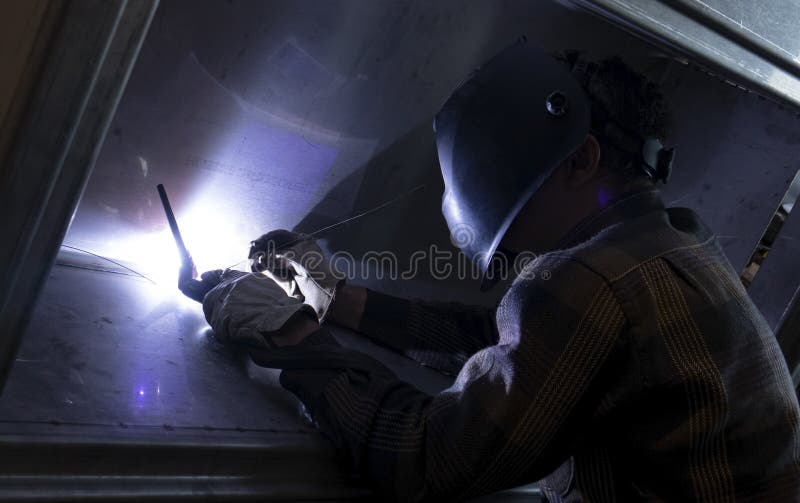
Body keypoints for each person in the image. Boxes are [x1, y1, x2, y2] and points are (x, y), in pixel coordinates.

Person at [179, 40, 800, 501]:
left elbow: (424, 458)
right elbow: (511, 343)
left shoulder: (595, 281)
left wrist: (287, 333)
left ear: (581, 160)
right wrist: (335, 299)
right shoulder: (678, 243)